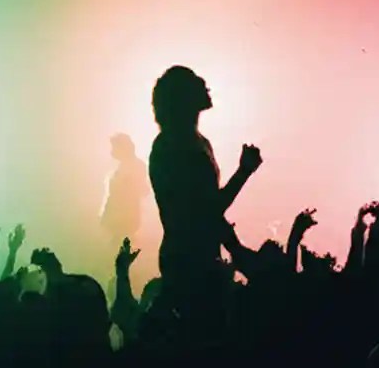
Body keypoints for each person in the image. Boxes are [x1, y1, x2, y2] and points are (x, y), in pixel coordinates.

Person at [147, 66, 262, 342]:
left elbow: (207, 211)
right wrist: (244, 172)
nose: (205, 85)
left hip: (196, 257)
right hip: (188, 262)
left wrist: (235, 249)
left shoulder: (193, 143)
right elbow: (205, 212)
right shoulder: (173, 147)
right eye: (195, 82)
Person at [100, 133, 151, 251]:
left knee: (124, 230)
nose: (112, 151)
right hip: (120, 208)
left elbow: (137, 186)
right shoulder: (125, 165)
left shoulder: (135, 165)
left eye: (115, 147)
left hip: (126, 209)